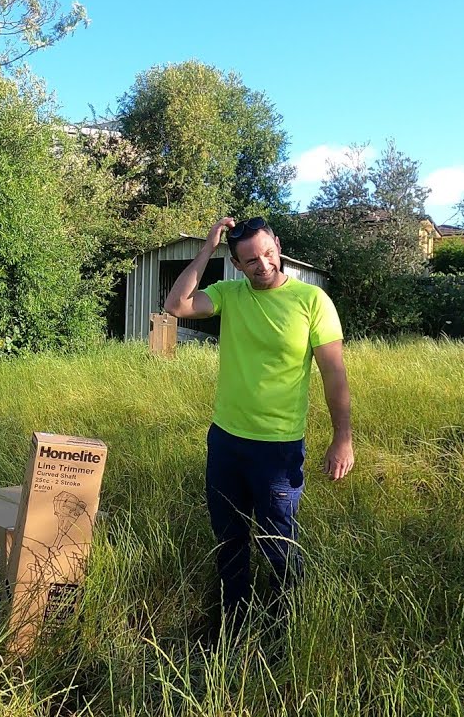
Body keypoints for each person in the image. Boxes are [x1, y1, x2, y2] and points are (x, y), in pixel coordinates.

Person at [163, 215, 354, 630]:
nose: (263, 264)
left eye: (268, 253)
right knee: (229, 537)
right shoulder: (229, 294)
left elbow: (334, 373)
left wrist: (343, 437)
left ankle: (285, 622)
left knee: (277, 540)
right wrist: (207, 248)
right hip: (226, 441)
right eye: (250, 260)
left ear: (278, 246)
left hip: (278, 448)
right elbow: (175, 306)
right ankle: (234, 618)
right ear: (235, 263)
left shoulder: (312, 301)